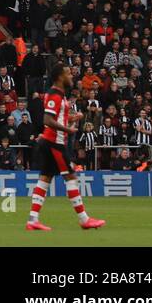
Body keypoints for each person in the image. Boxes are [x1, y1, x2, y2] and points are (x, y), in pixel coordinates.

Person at [26, 64, 105, 232]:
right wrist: (67, 129)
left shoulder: (58, 95)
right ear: (60, 77)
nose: (72, 76)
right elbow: (47, 120)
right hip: (55, 143)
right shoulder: (55, 95)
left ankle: (33, 219)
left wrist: (71, 118)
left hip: (49, 142)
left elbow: (57, 118)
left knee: (45, 179)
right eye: (68, 73)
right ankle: (84, 219)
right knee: (71, 177)